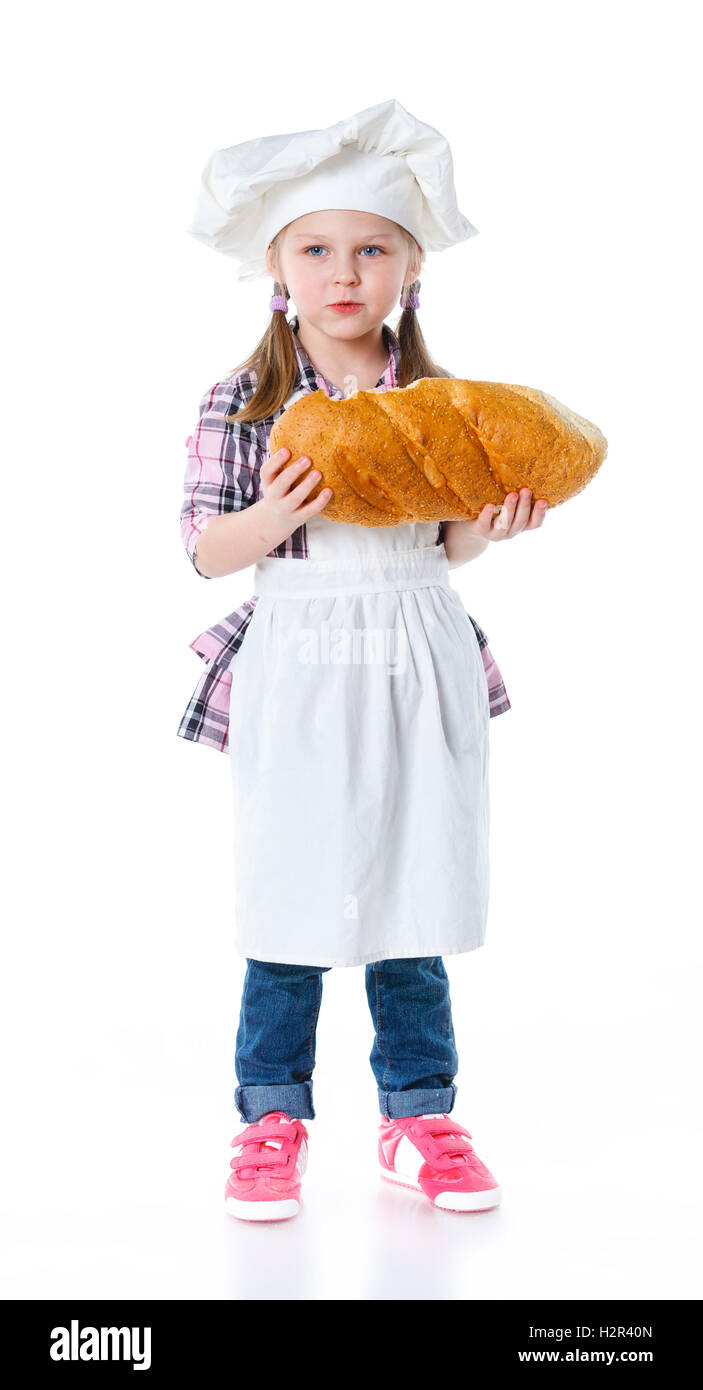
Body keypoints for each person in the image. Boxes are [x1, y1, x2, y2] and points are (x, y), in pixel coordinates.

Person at [178, 100, 547, 1222]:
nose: (346, 272)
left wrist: (492, 521)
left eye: (372, 247)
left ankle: (418, 1114)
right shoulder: (245, 405)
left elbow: (447, 544)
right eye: (318, 249)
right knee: (290, 892)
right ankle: (271, 1118)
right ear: (279, 268)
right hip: (301, 654)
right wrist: (270, 510)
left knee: (412, 889)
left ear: (410, 266)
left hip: (412, 655)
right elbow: (204, 551)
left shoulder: (445, 410)